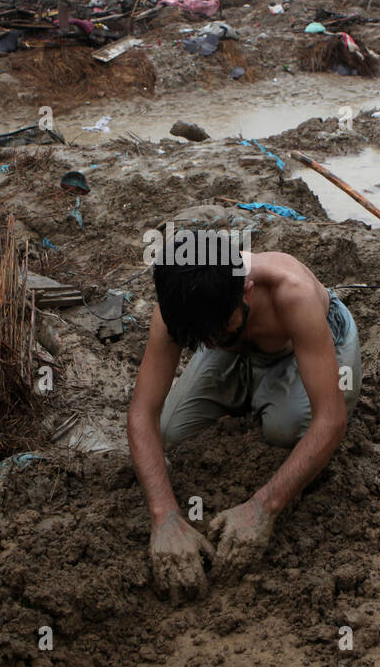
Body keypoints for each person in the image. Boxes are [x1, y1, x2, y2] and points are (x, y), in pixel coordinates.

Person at [127, 248, 361, 603]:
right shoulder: (181, 306)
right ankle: (250, 383)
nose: (207, 343)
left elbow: (330, 420)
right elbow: (142, 413)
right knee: (170, 430)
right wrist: (165, 516)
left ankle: (268, 390)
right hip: (237, 348)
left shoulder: (292, 292)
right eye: (200, 338)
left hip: (307, 344)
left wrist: (262, 508)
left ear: (246, 290)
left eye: (221, 330)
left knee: (285, 431)